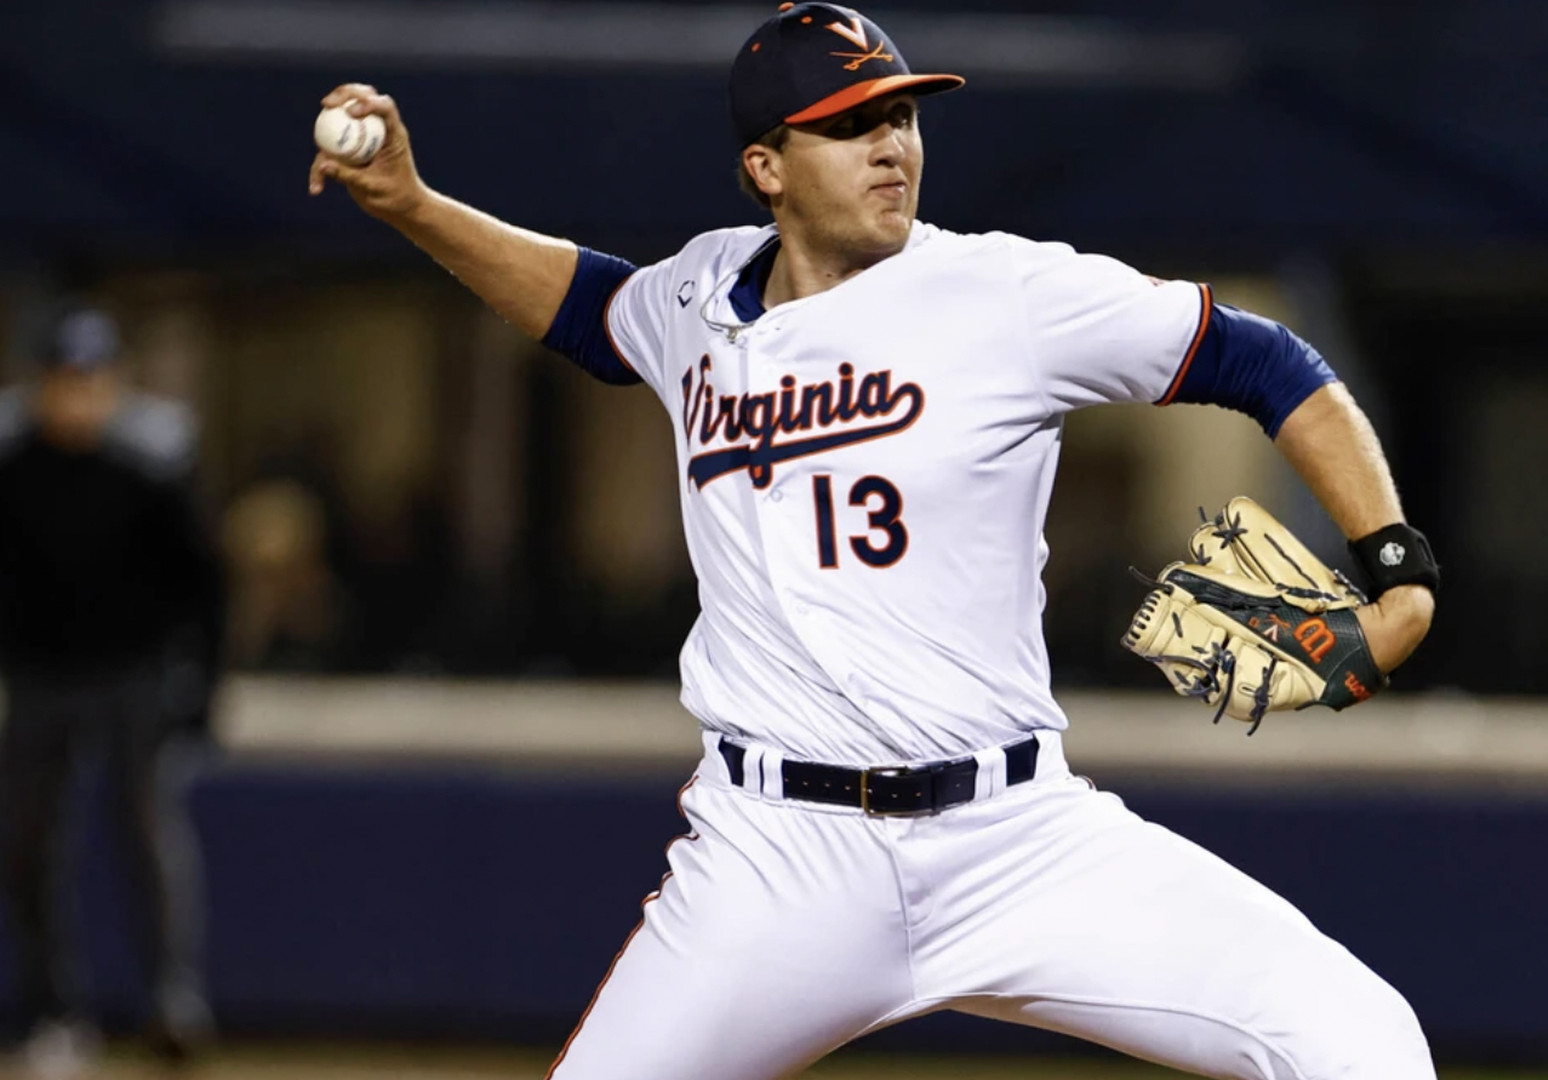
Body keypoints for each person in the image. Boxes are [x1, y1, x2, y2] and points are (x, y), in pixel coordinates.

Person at [309, 5, 1438, 1076]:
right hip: (776, 860)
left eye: (900, 116)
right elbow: (589, 309)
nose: (892, 146)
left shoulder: (1005, 294)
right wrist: (411, 204)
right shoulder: (695, 296)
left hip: (1015, 838)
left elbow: (1267, 360)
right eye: (851, 126)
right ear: (767, 167)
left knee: (1361, 1040)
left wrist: (1395, 566)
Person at [0, 307, 221, 1074]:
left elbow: (202, 585)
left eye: (89, 380)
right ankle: (52, 1009)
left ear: (113, 384)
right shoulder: (14, 465)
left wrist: (202, 689)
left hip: (134, 675)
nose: (76, 397)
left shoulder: (149, 465)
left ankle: (173, 1000)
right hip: (41, 674)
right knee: (27, 842)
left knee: (149, 832)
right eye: (63, 381)